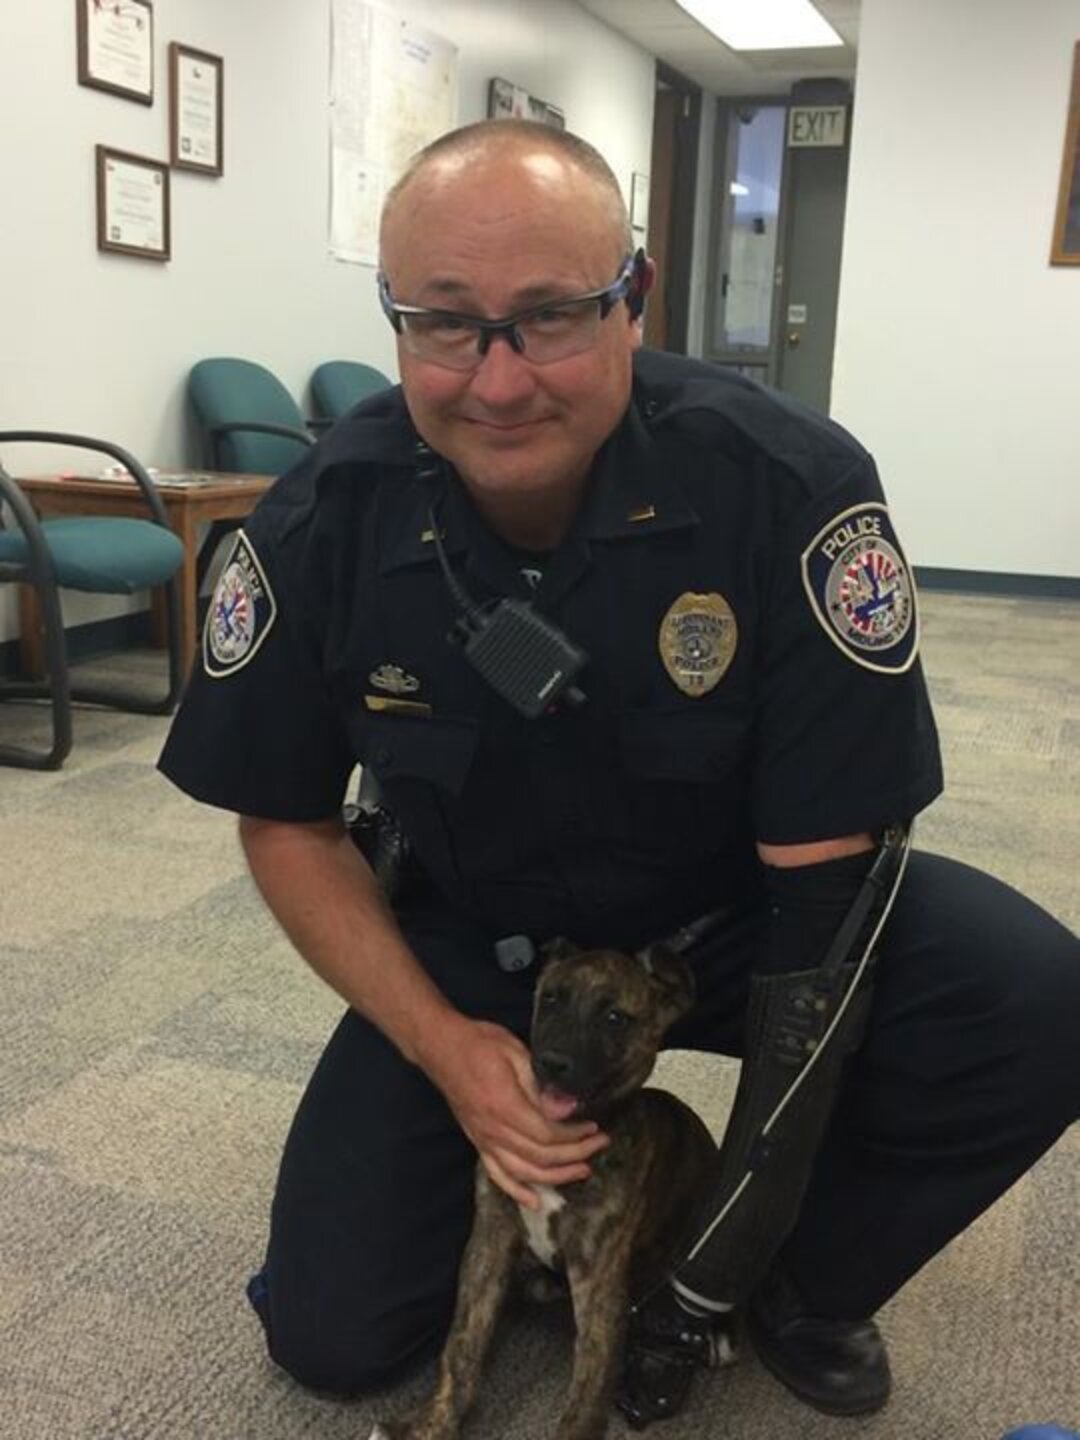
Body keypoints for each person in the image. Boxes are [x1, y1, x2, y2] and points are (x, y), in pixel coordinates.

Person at [158, 119, 1080, 1422]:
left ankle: (809, 1285)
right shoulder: (325, 516)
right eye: (443, 322)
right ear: (394, 318)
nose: (496, 380)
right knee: (336, 1339)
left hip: (744, 910)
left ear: (632, 301)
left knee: (1035, 996)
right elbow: (290, 827)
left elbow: (825, 907)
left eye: (549, 317)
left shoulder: (788, 488)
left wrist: (711, 1273)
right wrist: (441, 1047)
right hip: (486, 935)